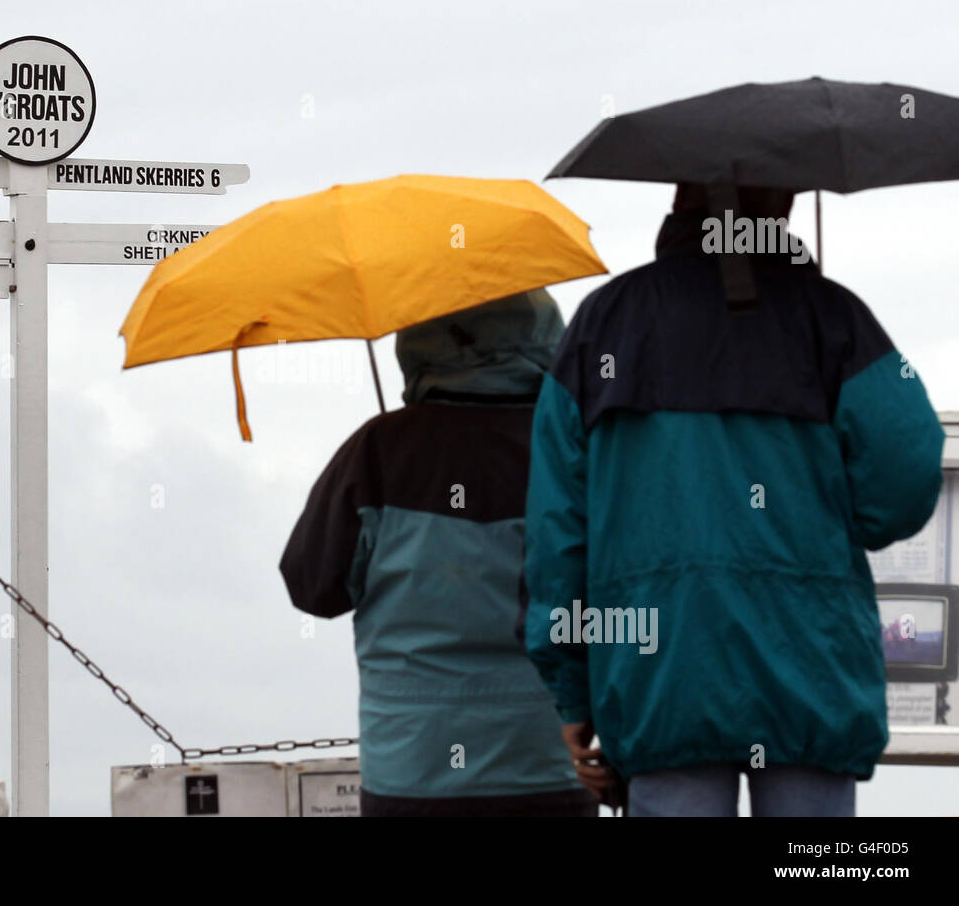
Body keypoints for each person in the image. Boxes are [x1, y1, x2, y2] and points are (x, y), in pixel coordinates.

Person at [524, 184, 944, 817]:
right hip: (812, 668)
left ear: (682, 204)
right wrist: (850, 518)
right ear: (777, 210)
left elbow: (558, 536)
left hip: (659, 677)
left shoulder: (601, 325)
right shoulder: (834, 318)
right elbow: (907, 467)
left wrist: (574, 696)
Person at [280, 291, 594, 816]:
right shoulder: (575, 446)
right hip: (547, 759)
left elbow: (314, 587)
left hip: (413, 768)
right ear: (545, 338)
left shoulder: (377, 450)